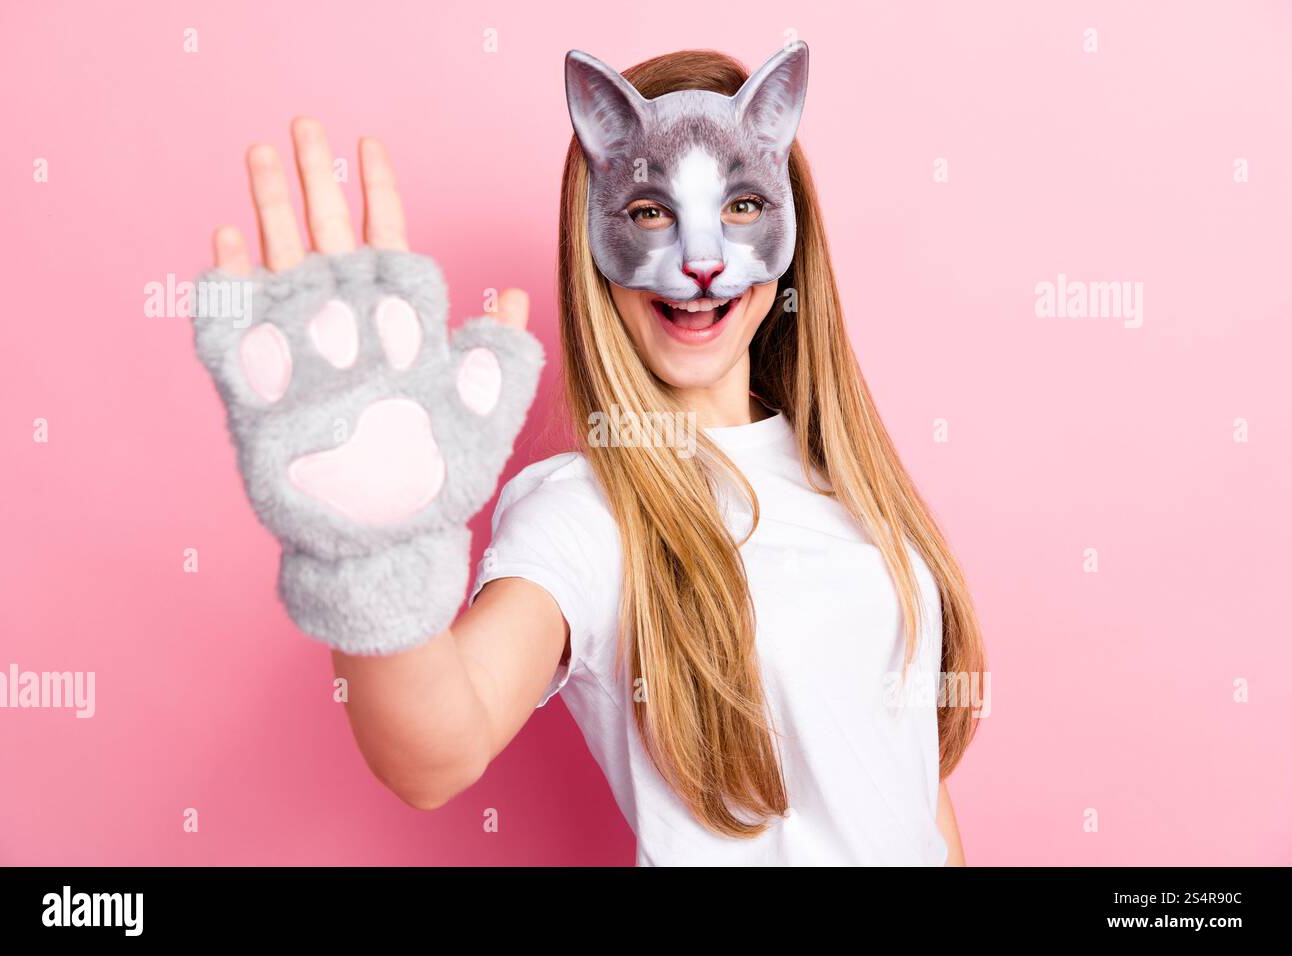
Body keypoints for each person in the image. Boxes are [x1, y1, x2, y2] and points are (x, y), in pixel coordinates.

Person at [196, 45, 985, 866]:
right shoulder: (583, 514)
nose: (702, 262)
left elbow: (910, 785)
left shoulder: (845, 476)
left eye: (743, 204)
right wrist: (368, 545)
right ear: (593, 245)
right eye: (649, 213)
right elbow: (436, 751)